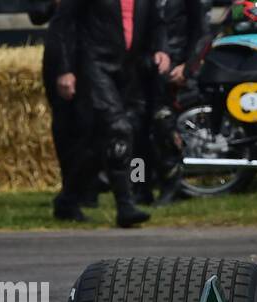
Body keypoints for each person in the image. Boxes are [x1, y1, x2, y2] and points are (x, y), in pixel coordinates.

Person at [55, 0, 171, 227]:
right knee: (120, 129)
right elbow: (63, 25)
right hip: (94, 65)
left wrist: (162, 49)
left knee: (98, 143)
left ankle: (67, 200)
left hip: (128, 67)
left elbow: (157, 23)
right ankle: (125, 205)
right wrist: (64, 69)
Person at [29, 0, 93, 220]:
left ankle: (93, 186)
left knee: (93, 124)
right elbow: (36, 14)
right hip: (60, 53)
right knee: (66, 125)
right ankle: (72, 189)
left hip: (95, 51)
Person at [149, 0, 210, 205]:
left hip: (179, 69)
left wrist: (187, 67)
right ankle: (140, 183)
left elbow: (202, 33)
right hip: (147, 67)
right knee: (141, 128)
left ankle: (172, 184)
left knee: (166, 125)